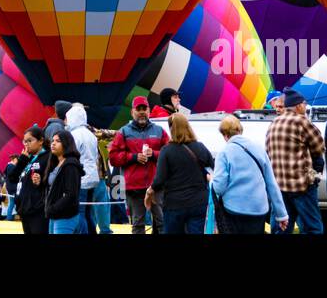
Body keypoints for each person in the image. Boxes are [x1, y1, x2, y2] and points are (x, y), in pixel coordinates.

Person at [212, 114, 288, 234]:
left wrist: (212, 181)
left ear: (225, 135)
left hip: (234, 209)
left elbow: (219, 187)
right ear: (240, 130)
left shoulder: (224, 153)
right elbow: (272, 184)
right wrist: (281, 214)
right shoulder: (259, 149)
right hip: (259, 209)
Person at [265, 87, 326, 234]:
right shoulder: (301, 122)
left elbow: (268, 152)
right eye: (304, 104)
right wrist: (314, 175)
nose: (305, 107)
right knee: (313, 228)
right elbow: (319, 148)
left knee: (281, 228)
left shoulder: (273, 124)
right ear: (298, 105)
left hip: (280, 187)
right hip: (301, 186)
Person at [109, 95, 169, 233]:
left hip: (156, 186)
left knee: (161, 222)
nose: (142, 111)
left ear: (149, 111)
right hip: (134, 188)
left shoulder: (160, 131)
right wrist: (134, 157)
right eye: (138, 109)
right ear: (132, 112)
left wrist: (153, 154)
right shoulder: (123, 132)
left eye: (144, 108)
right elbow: (113, 158)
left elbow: (169, 154)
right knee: (138, 224)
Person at [147, 112, 214, 234]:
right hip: (199, 203)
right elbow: (214, 168)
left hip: (174, 204)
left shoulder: (166, 151)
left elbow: (159, 180)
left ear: (172, 128)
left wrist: (150, 190)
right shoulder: (200, 147)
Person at [64, 103, 101, 233]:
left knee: (78, 213)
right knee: (87, 212)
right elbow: (96, 156)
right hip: (92, 177)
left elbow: (71, 158)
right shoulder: (91, 135)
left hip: (80, 179)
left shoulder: (74, 135)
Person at [45, 129, 85, 234]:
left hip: (65, 216)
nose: (53, 143)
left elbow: (71, 194)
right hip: (55, 215)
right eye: (52, 140)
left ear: (66, 143)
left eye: (58, 141)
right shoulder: (56, 164)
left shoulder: (70, 165)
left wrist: (53, 208)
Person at [14, 125, 50, 235]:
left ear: (41, 141)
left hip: (38, 209)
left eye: (30, 140)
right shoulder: (26, 158)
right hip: (24, 207)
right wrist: (22, 160)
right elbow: (12, 178)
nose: (26, 144)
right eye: (24, 141)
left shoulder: (47, 157)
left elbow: (52, 180)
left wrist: (41, 181)